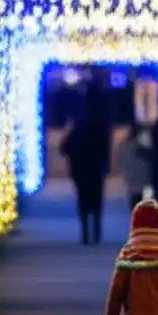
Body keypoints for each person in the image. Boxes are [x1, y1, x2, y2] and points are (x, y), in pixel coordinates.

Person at [63, 90, 110, 245]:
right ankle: (96, 232)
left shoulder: (77, 131)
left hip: (81, 171)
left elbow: (64, 148)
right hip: (95, 170)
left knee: (83, 201)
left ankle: (86, 233)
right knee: (96, 201)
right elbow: (105, 149)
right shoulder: (99, 130)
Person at [120, 125, 156, 209]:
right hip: (144, 183)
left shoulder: (129, 146)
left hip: (140, 183)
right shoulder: (144, 144)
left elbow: (126, 164)